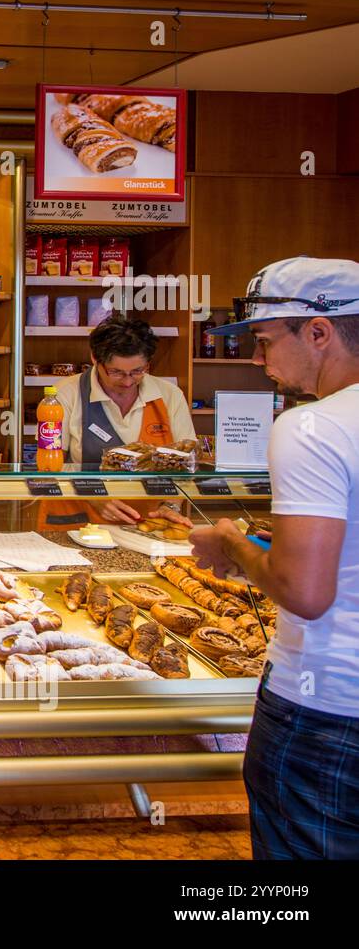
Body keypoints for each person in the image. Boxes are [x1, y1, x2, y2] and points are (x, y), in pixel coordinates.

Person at [188, 256, 359, 859]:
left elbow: (306, 591)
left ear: (318, 331)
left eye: (263, 342)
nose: (259, 361)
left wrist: (232, 543)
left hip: (329, 710)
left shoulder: (313, 426)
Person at [41, 317, 196, 528]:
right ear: (95, 359)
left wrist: (171, 505)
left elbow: (184, 467)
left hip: (147, 525)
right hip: (76, 522)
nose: (128, 381)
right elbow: (49, 467)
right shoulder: (65, 395)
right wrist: (94, 495)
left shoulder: (169, 396)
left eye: (138, 371)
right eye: (116, 372)